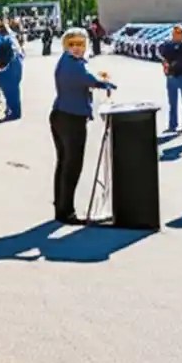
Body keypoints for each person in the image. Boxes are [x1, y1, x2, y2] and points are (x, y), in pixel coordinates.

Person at [51, 28, 117, 224]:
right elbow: (88, 80)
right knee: (72, 165)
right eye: (72, 44)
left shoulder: (68, 62)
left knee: (64, 164)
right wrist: (105, 84)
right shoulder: (73, 65)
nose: (77, 48)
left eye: (80, 44)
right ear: (65, 46)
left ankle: (61, 207)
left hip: (62, 115)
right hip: (71, 118)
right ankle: (66, 211)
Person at [158, 25, 182, 132]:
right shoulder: (168, 45)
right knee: (172, 102)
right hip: (171, 76)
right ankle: (172, 124)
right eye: (174, 33)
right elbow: (164, 57)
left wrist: (173, 63)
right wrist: (165, 65)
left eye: (178, 33)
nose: (175, 35)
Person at [0, 24, 24, 120]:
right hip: (17, 65)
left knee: (9, 90)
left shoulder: (4, 40)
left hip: (9, 67)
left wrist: (0, 65)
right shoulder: (13, 38)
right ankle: (11, 109)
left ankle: (14, 112)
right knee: (14, 90)